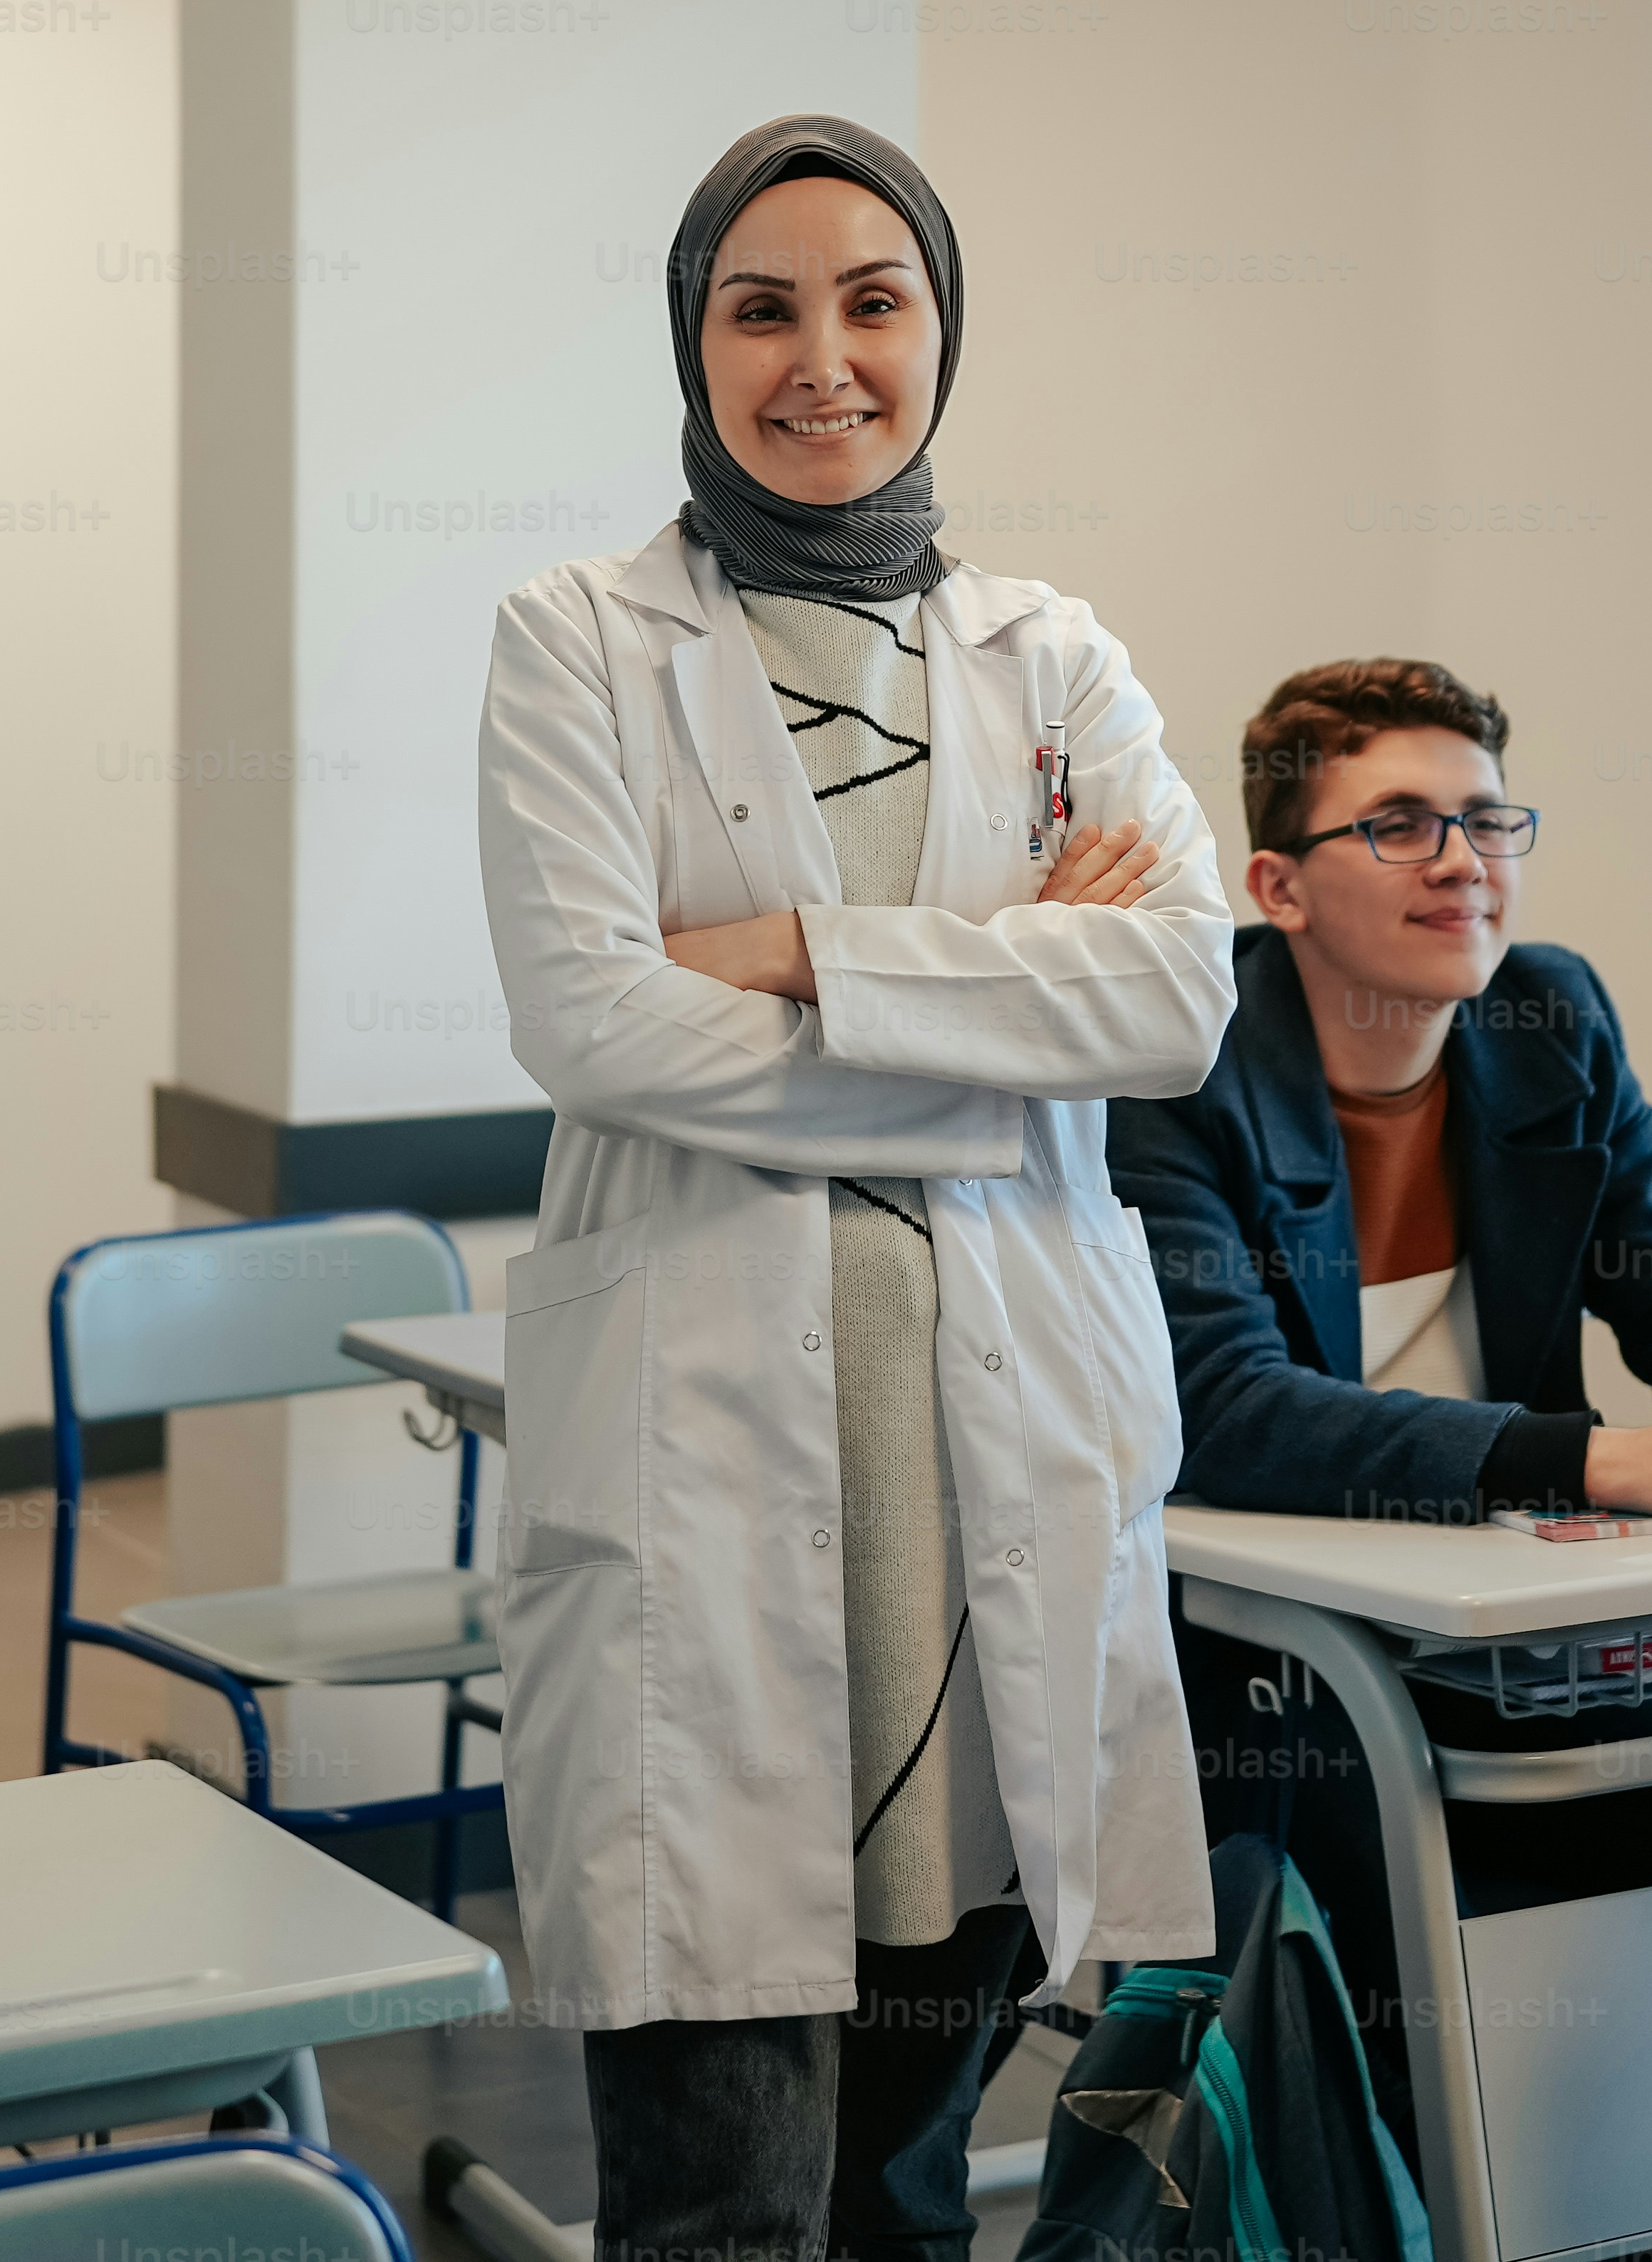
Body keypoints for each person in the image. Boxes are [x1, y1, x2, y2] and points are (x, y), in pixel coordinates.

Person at [479, 114, 1232, 2262]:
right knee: (722, 2203)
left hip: (982, 1501)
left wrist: (807, 951)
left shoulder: (1049, 654)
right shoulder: (578, 640)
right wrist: (1010, 1025)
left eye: (873, 302)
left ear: (941, 331)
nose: (824, 357)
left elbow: (1174, 1002)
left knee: (909, 2180)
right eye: (764, 306)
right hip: (707, 1504)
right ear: (695, 342)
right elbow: (598, 1026)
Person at [1111, 655, 1652, 2135]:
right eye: (1400, 823)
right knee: (1386, 1878)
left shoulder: (1546, 1017)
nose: (1462, 862)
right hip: (1259, 1644)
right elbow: (1225, 1407)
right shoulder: (1179, 1060)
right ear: (1278, 884)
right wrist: (1602, 1458)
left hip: (1504, 1611)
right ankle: (1419, 2184)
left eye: (1490, 821)